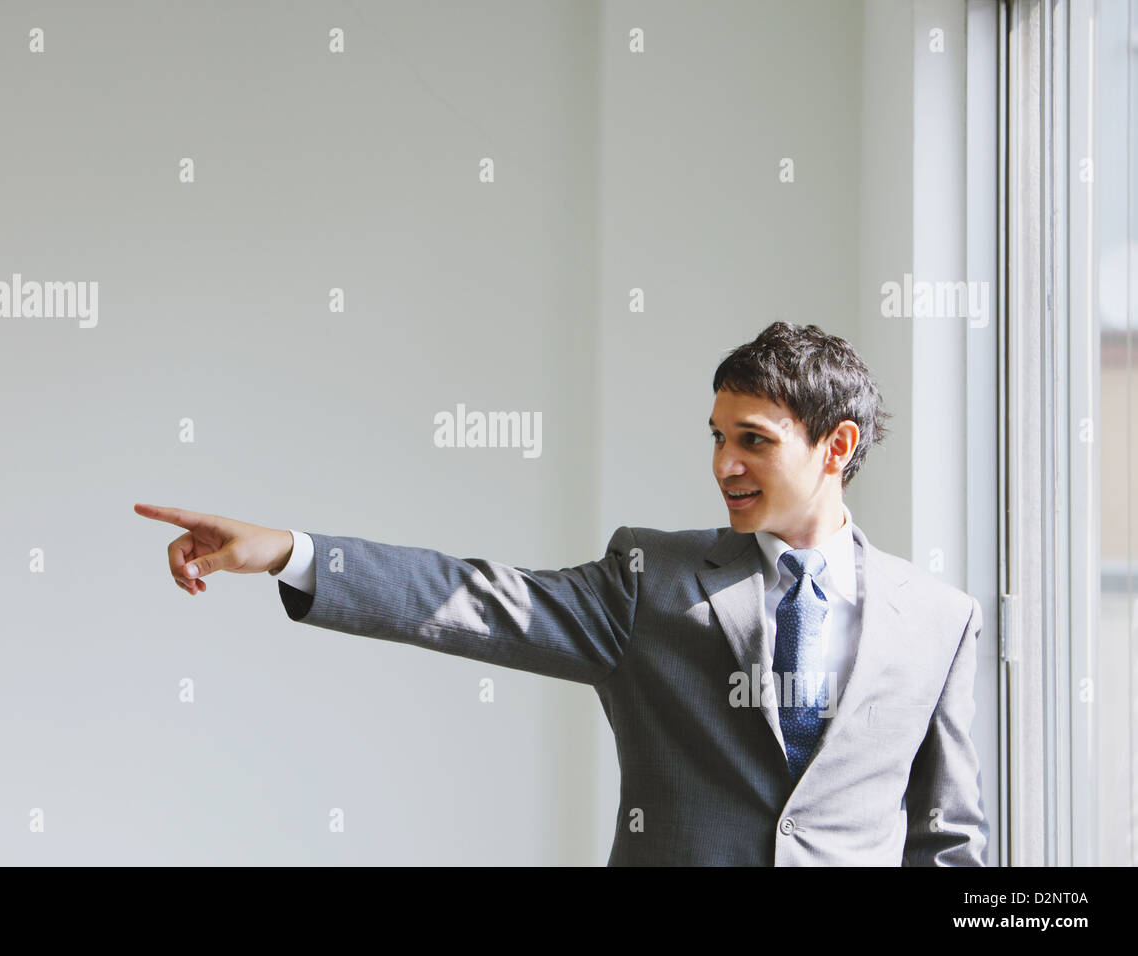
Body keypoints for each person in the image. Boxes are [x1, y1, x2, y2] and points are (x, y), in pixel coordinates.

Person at [135, 321, 990, 866]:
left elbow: (948, 840)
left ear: (835, 446)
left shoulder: (940, 623)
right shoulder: (650, 582)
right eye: (718, 437)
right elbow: (477, 598)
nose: (724, 464)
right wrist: (293, 553)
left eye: (754, 441)